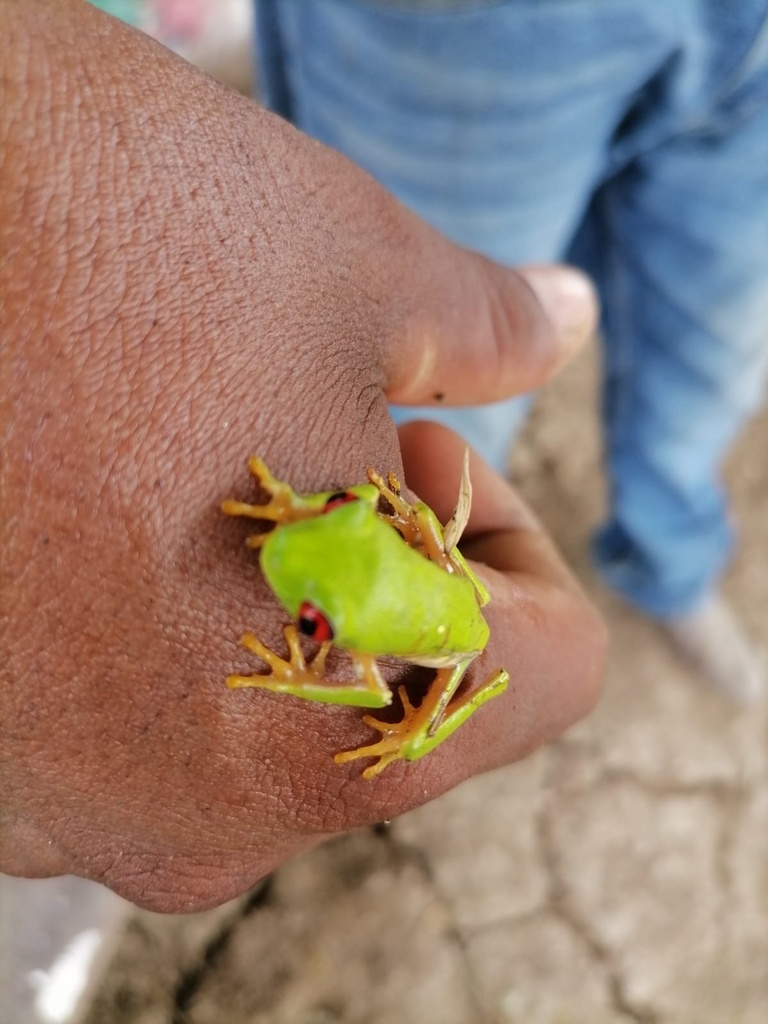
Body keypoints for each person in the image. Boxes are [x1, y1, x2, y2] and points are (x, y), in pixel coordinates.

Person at [1, 0, 604, 912]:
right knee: (420, 488)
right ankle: (363, 531)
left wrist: (316, 678)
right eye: (333, 511)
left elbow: (359, 679)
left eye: (312, 623)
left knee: (412, 678)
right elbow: (370, 526)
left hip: (442, 641)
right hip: (420, 572)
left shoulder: (360, 655)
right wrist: (326, 512)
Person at [252, 0, 768, 702]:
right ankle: (474, 568)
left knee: (712, 362)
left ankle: (672, 566)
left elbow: (359, 688)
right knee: (424, 408)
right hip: (467, 30)